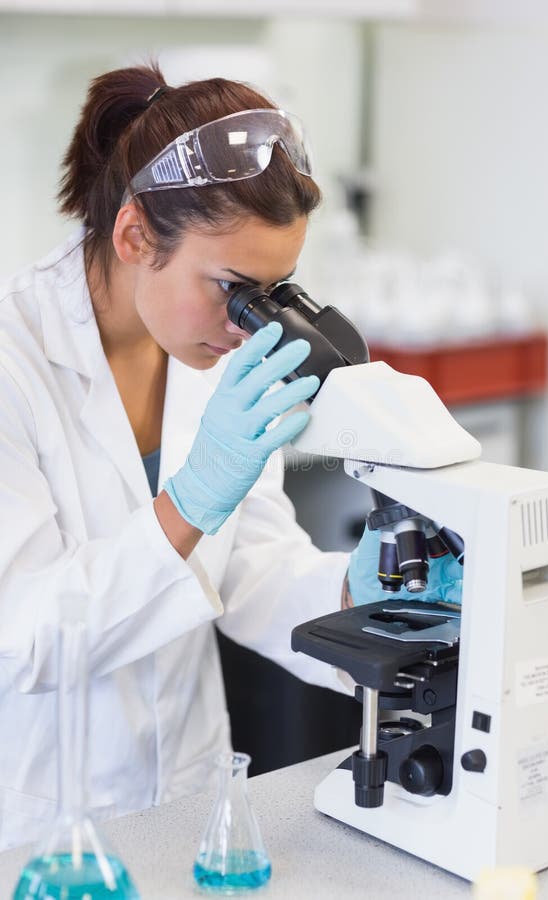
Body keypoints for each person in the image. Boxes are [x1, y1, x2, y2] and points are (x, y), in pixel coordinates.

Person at [0, 63, 462, 852]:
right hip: (40, 816)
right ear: (135, 235)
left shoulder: (201, 351)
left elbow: (251, 568)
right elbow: (23, 637)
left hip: (185, 796)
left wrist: (373, 591)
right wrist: (192, 498)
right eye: (233, 288)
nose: (251, 324)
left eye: (276, 292)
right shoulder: (16, 360)